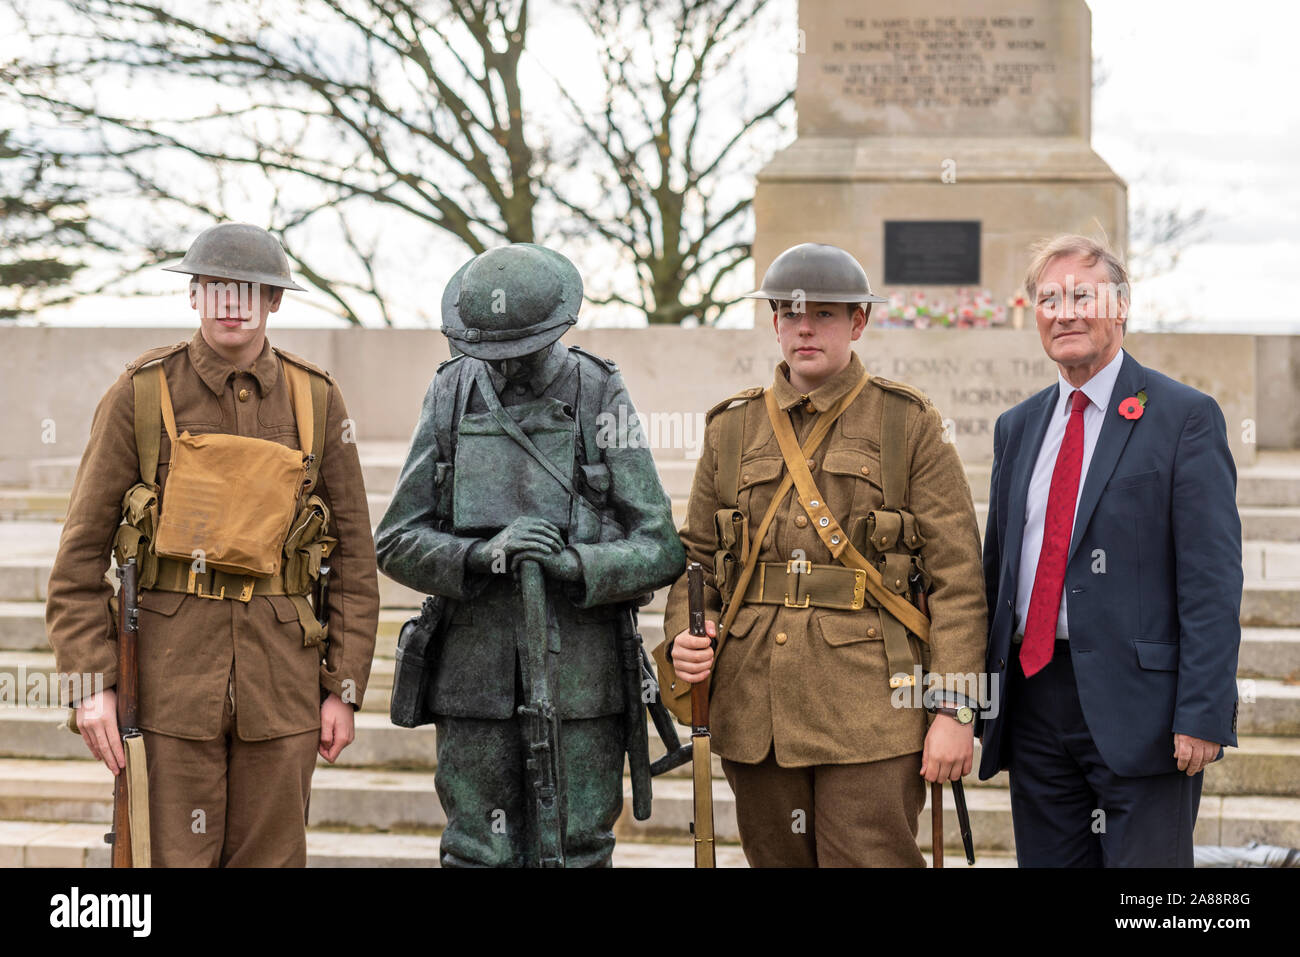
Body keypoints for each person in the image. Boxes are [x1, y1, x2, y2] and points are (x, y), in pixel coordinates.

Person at [45, 222, 380, 867]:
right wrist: (91, 685)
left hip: (282, 682)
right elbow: (79, 559)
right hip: (169, 682)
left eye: (250, 289)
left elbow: (356, 560)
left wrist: (344, 686)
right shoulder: (142, 393)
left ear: (274, 301)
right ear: (195, 295)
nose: (233, 303)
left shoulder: (317, 399)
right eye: (218, 287)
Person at [658, 243, 988, 867]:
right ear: (775, 322)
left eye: (826, 314)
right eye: (790, 312)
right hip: (756, 706)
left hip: (871, 708)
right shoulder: (731, 428)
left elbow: (958, 579)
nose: (805, 327)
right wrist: (684, 631)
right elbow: (696, 557)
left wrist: (956, 708)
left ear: (858, 322)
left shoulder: (907, 422)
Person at [374, 242, 684, 867]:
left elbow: (659, 546)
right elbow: (397, 540)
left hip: (582, 679)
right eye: (488, 354)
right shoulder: (450, 392)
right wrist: (484, 554)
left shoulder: (598, 391)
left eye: (517, 353)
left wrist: (577, 565)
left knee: (579, 850)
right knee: (475, 851)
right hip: (473, 676)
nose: (503, 368)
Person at [978, 234, 1241, 867]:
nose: (1063, 312)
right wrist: (973, 701)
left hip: (1143, 715)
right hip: (1034, 704)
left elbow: (1211, 579)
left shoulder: (1183, 417)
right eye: (1047, 298)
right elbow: (995, 574)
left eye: (1080, 295)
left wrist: (1202, 712)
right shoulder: (1017, 426)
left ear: (1120, 306)